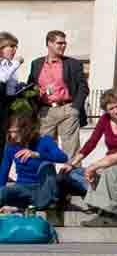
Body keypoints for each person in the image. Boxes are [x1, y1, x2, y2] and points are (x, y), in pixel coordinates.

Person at [29, 30, 89, 161]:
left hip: (67, 109)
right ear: (49, 43)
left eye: (64, 43)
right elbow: (30, 86)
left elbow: (83, 88)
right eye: (59, 43)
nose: (63, 46)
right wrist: (35, 92)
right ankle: (47, 180)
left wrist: (75, 108)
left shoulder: (73, 64)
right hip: (45, 111)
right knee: (45, 150)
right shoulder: (36, 64)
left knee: (71, 151)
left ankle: (73, 179)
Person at [0, 111, 65, 212]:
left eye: (15, 131)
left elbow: (63, 157)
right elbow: (4, 171)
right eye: (10, 132)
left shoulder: (45, 141)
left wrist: (37, 154)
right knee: (3, 192)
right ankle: (22, 207)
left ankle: (26, 206)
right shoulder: (11, 146)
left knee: (47, 166)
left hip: (42, 188)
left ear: (26, 130)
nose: (12, 136)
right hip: (22, 188)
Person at [0, 32, 24, 128]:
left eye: (16, 47)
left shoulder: (9, 65)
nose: (15, 50)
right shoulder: (13, 65)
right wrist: (17, 63)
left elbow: (10, 91)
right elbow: (2, 78)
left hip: (6, 108)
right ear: (1, 47)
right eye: (12, 46)